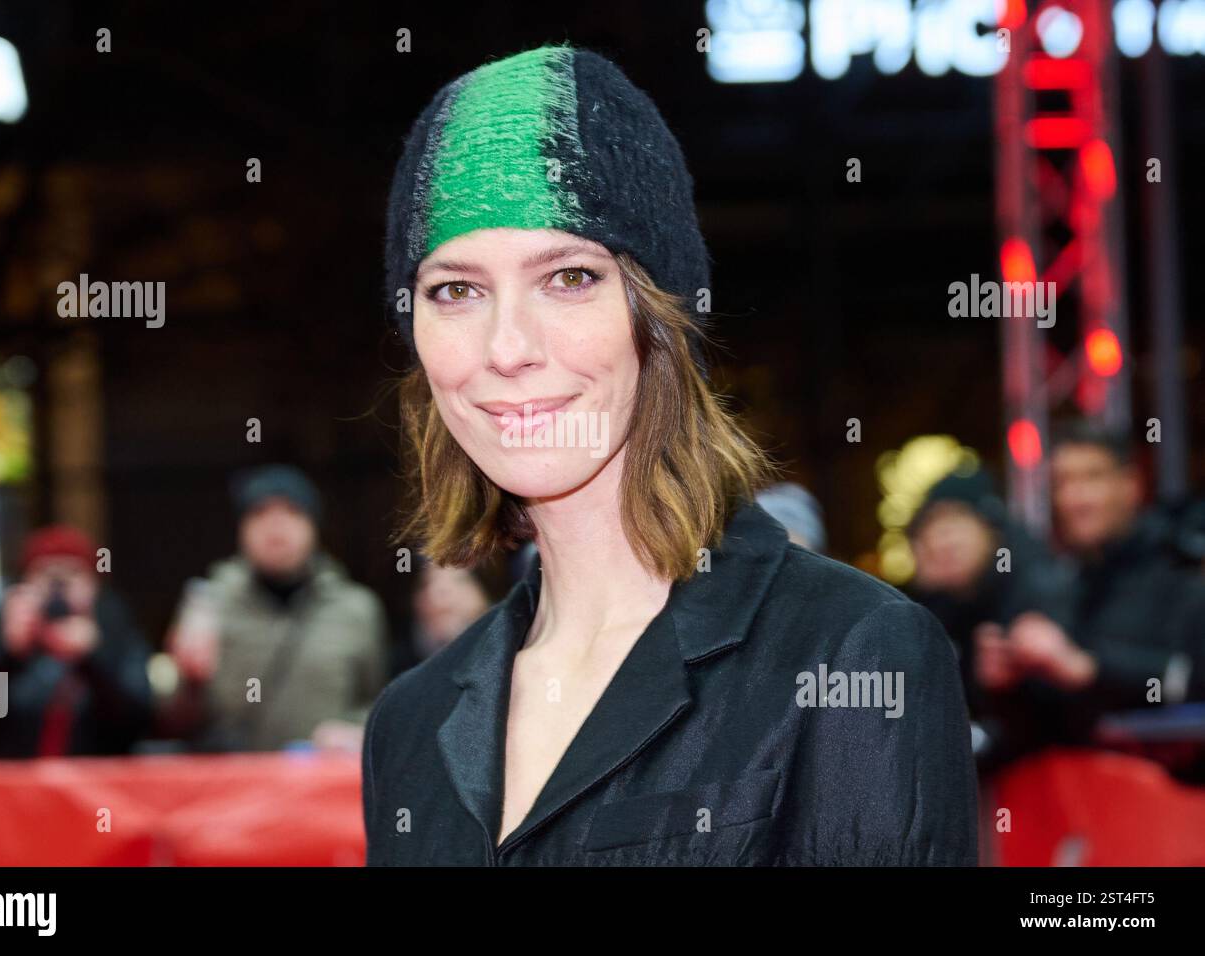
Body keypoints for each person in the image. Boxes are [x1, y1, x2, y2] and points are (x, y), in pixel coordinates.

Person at [362, 44, 977, 866]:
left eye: (569, 277)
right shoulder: (410, 723)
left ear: (658, 318)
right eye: (455, 290)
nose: (505, 347)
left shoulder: (851, 653)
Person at [974, 424, 1205, 739]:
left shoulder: (1183, 572)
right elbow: (1051, 725)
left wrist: (1089, 668)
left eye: (1091, 478)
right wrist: (1005, 686)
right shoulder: (1055, 586)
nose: (1073, 499)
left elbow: (1186, 681)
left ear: (1131, 484)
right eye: (1062, 483)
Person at [165, 465, 389, 752]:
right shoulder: (208, 604)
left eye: (292, 512)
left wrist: (354, 731)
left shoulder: (356, 610)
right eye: (260, 513)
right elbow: (172, 722)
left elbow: (379, 704)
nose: (276, 527)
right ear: (240, 529)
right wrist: (191, 683)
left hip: (323, 786)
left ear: (314, 526)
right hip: (229, 787)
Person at [907, 468, 1074, 770]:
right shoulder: (941, 601)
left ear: (991, 529)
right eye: (931, 527)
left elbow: (1058, 712)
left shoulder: (1034, 588)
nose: (941, 541)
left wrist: (1002, 689)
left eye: (955, 524)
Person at [0, 525, 152, 758]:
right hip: (11, 786)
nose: (58, 586)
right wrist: (7, 654)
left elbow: (140, 722)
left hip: (94, 787)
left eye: (72, 573)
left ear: (93, 584)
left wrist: (92, 659)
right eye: (46, 573)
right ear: (24, 583)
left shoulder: (116, 632)